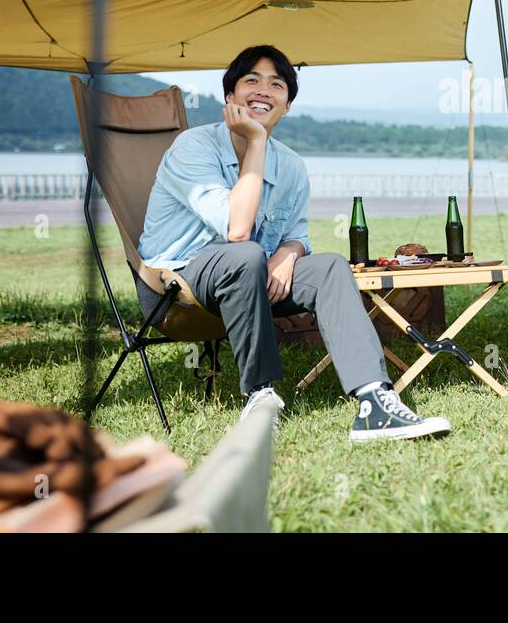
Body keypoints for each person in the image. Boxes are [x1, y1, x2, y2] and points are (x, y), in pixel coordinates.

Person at [136, 44, 450, 441]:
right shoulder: (193, 147)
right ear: (229, 97)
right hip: (178, 283)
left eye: (277, 84)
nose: (264, 90)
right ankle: (260, 397)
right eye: (251, 80)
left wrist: (289, 252)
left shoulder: (292, 166)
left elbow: (297, 233)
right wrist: (256, 142)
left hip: (252, 277)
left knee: (331, 265)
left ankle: (374, 401)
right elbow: (237, 231)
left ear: (287, 105)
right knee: (245, 254)